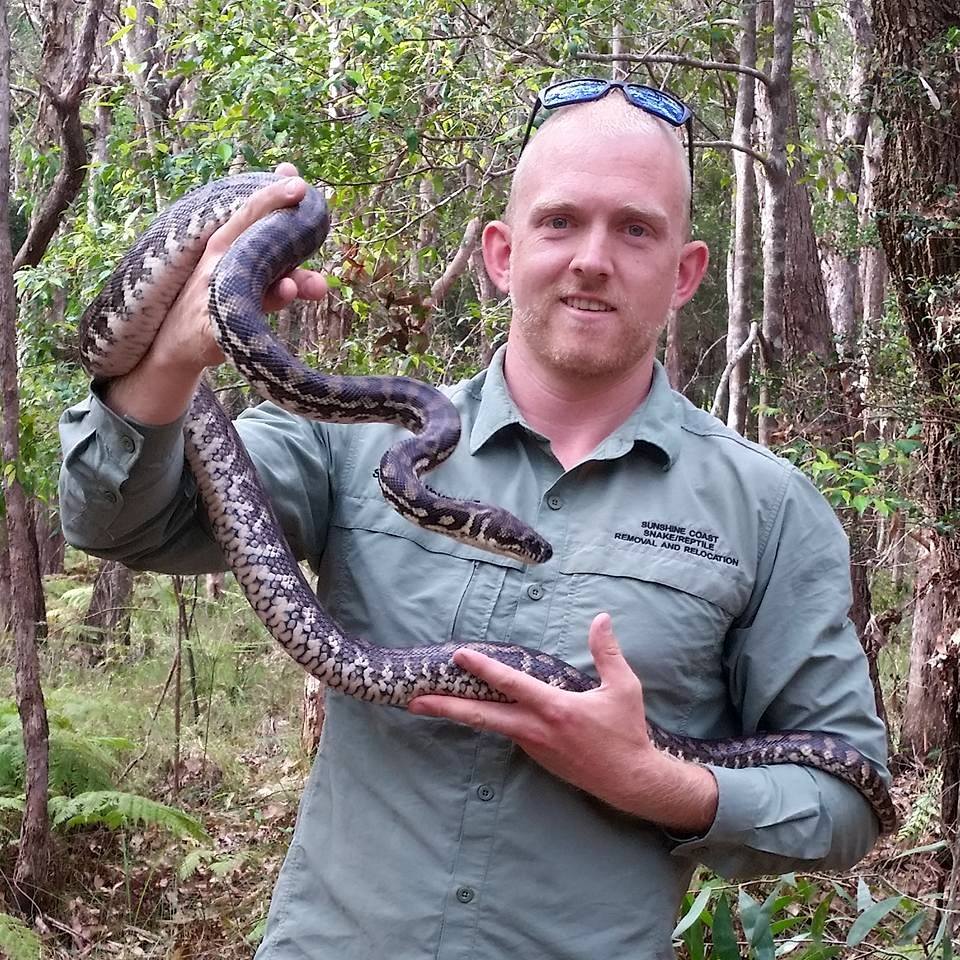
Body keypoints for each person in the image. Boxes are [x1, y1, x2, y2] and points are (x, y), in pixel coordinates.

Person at [59, 80, 889, 959]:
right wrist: (171, 364)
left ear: (686, 272)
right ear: (501, 253)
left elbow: (849, 797)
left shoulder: (770, 509)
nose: (592, 260)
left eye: (636, 228)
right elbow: (118, 525)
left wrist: (655, 781)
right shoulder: (349, 436)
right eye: (560, 221)